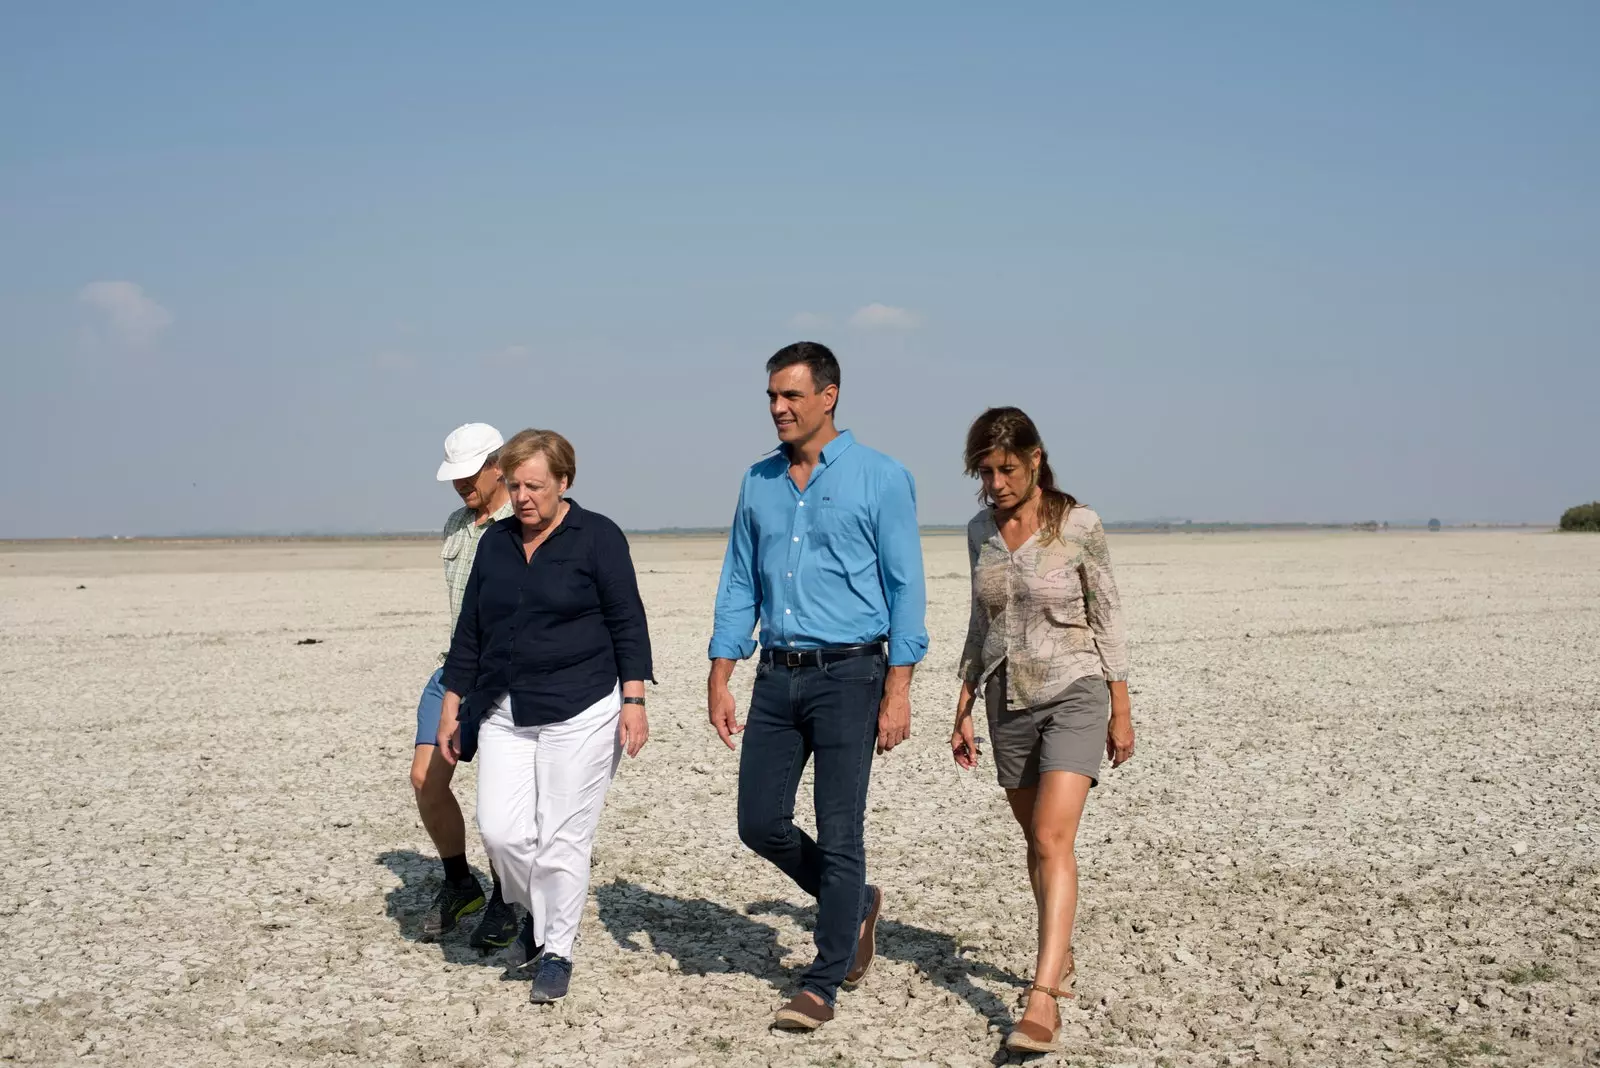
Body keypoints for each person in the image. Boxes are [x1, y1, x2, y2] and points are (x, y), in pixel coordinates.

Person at [707, 341, 928, 1031]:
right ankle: (856, 902)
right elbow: (740, 580)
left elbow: (905, 588)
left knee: (840, 831)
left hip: (851, 676)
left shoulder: (882, 477)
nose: (778, 408)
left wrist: (900, 688)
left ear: (828, 396)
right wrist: (722, 673)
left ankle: (821, 980)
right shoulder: (758, 482)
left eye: (791, 396)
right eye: (771, 396)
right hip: (777, 674)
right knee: (759, 823)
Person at [436, 428, 653, 1005]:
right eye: (514, 485)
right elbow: (471, 633)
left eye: (534, 485)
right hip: (506, 707)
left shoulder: (598, 537)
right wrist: (453, 704)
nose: (523, 496)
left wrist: (633, 701)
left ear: (564, 482)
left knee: (561, 837)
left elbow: (628, 622)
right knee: (502, 833)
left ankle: (556, 949)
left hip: (582, 707)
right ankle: (533, 913)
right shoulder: (495, 543)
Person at [948, 407, 1135, 1055]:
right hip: (1007, 698)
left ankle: (1043, 997)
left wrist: (1121, 703)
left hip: (1075, 690)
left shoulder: (1077, 524)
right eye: (984, 471)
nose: (995, 482)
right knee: (1037, 842)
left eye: (1005, 468)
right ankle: (1062, 953)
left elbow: (1106, 612)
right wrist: (964, 701)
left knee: (1055, 835)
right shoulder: (980, 531)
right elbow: (982, 620)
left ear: (1034, 459)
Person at [413, 422, 518, 947]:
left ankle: (507, 897)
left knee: (498, 801)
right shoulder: (456, 522)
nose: (461, 485)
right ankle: (460, 883)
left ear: (498, 465)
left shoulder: (520, 520)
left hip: (499, 680)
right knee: (425, 779)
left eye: (469, 474)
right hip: (451, 669)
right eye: (454, 476)